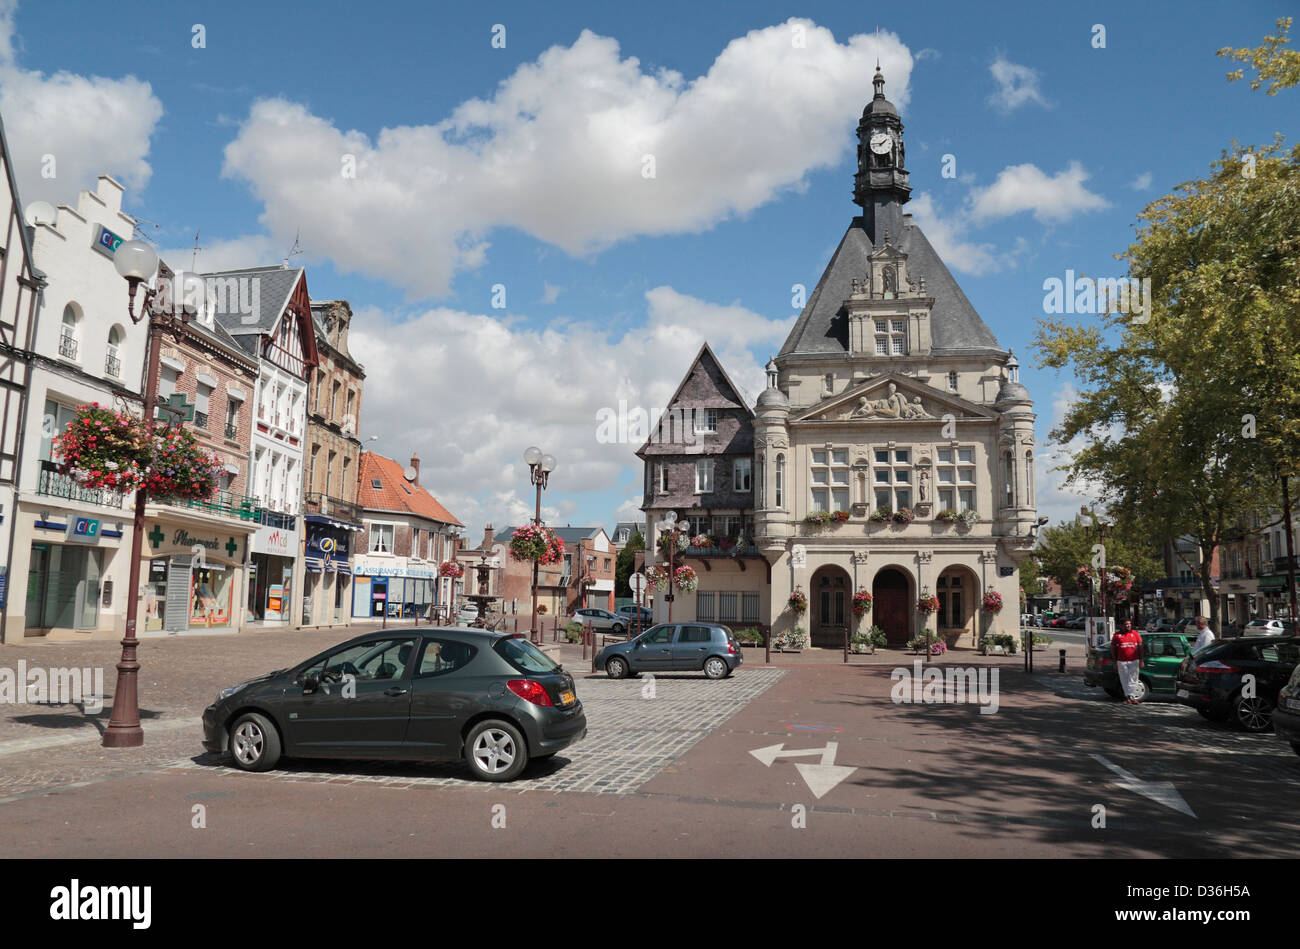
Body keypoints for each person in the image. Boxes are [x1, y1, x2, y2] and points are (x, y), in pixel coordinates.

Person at [1110, 619, 1145, 704]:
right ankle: (1127, 697)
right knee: (1124, 679)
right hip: (1121, 661)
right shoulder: (1117, 635)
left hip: (1134, 660)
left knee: (1133, 679)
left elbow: (1140, 648)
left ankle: (1132, 696)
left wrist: (1141, 660)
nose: (1128, 625)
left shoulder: (1135, 634)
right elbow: (1113, 649)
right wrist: (1114, 661)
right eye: (1126, 624)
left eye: (1129, 624)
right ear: (1122, 625)